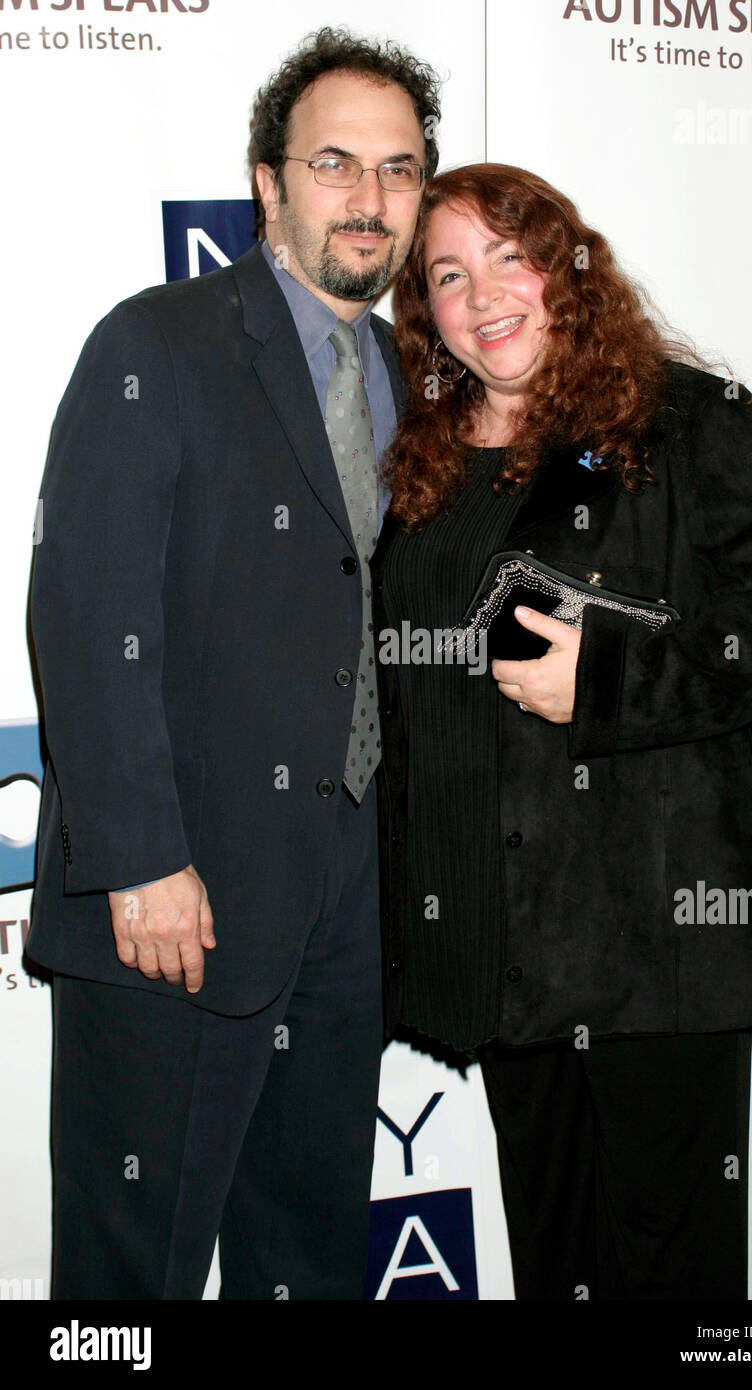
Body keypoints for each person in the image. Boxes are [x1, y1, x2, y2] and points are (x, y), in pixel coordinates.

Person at [372, 163, 752, 1301]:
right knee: (557, 1263)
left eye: (509, 256)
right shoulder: (420, 456)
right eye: (447, 274)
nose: (483, 294)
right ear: (423, 312)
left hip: (654, 937)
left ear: (566, 268)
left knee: (667, 1275)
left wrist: (613, 676)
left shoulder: (681, 417)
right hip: (505, 947)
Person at [26, 27, 440, 1301]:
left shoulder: (414, 376)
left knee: (306, 1253)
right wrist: (139, 858)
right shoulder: (159, 344)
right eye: (335, 164)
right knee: (129, 1279)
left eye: (400, 169)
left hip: (347, 900)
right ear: (268, 184)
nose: (369, 201)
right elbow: (88, 617)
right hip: (178, 900)